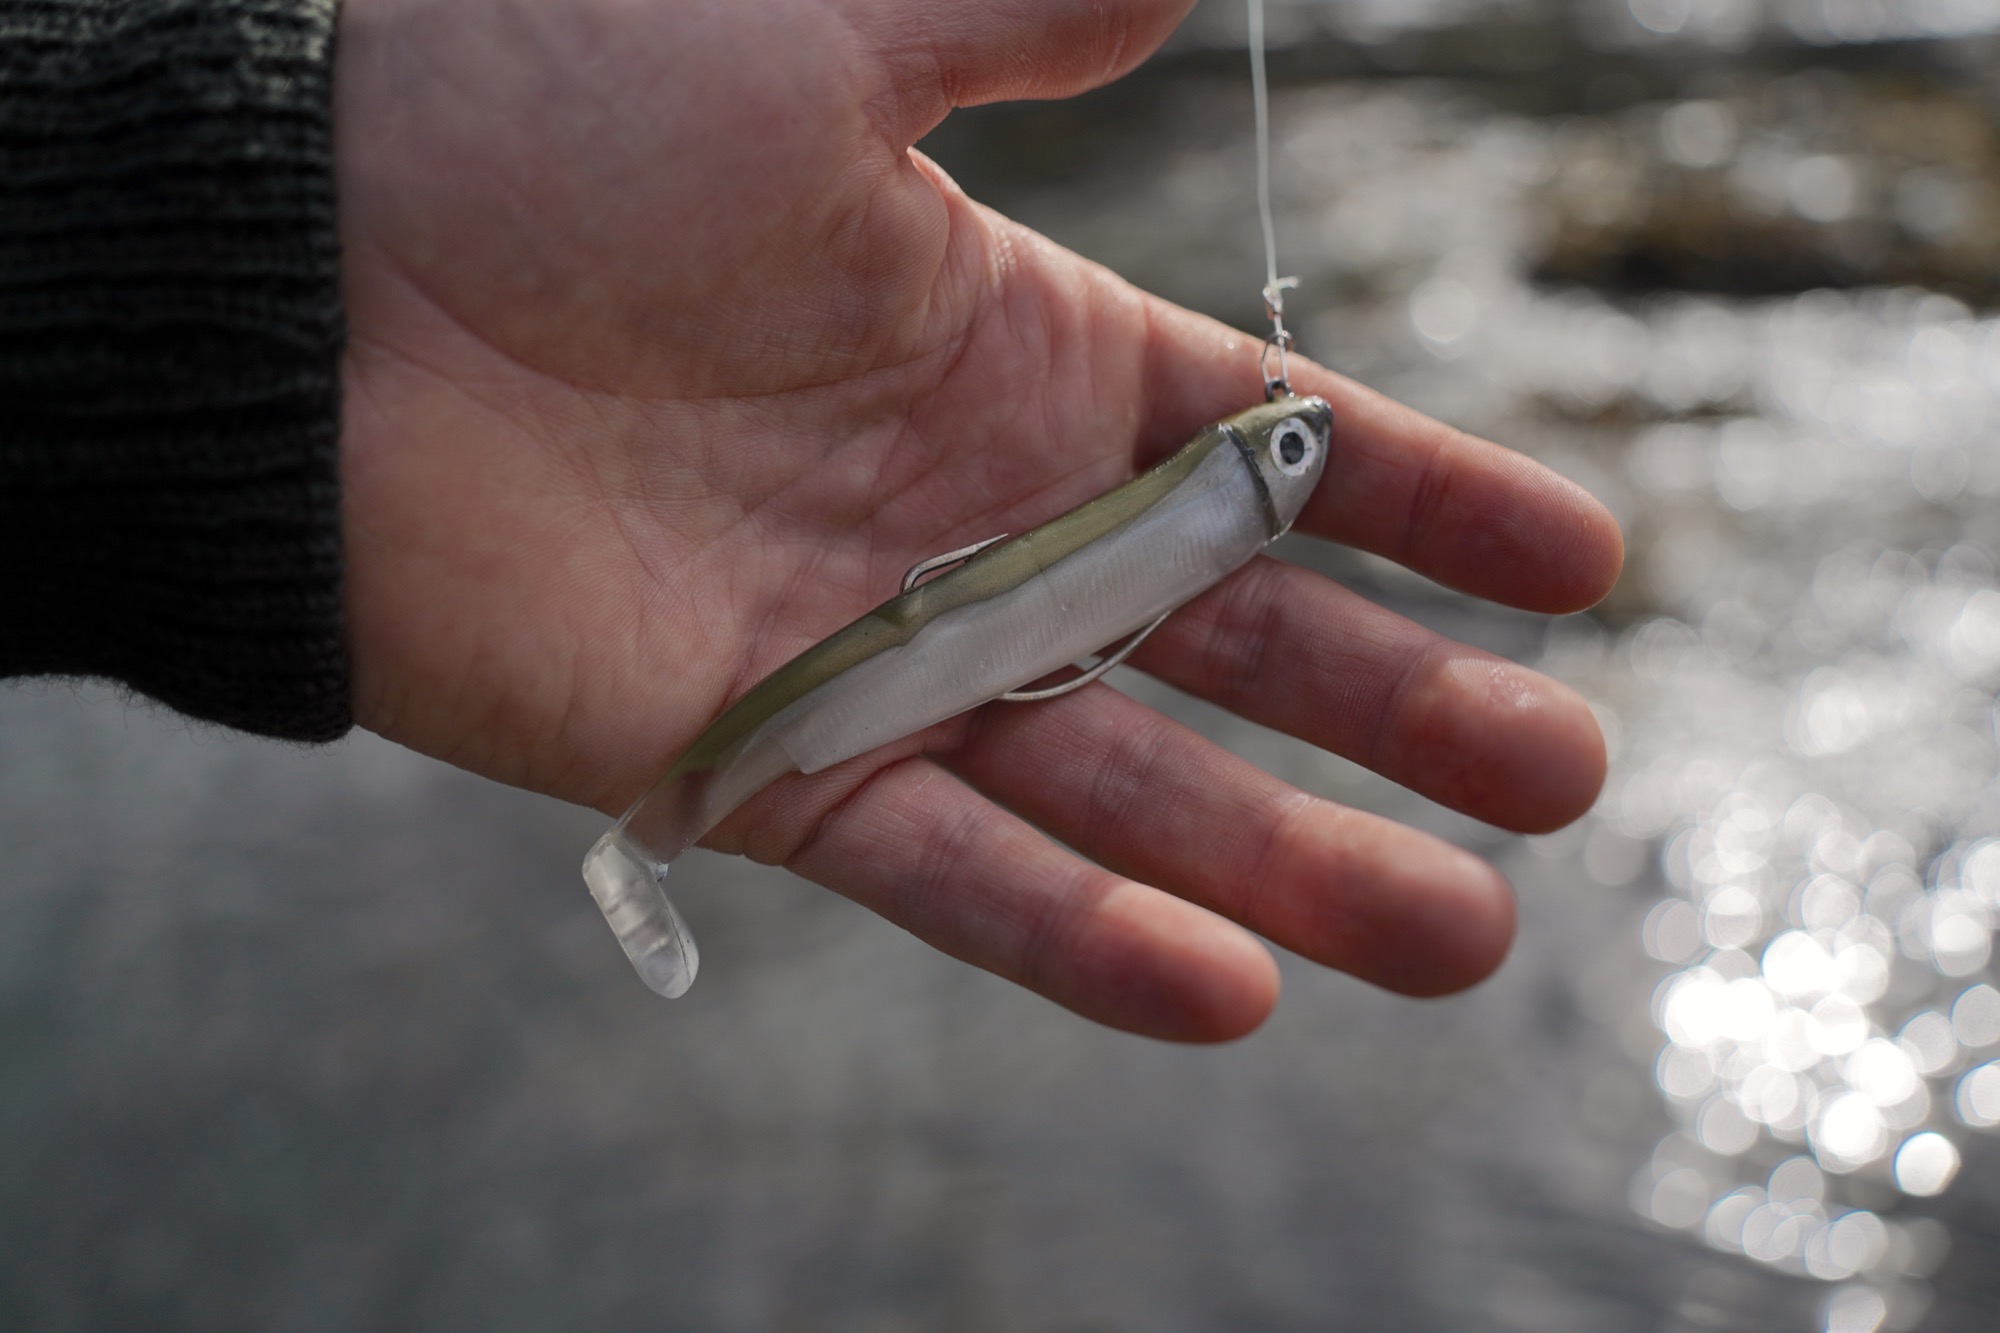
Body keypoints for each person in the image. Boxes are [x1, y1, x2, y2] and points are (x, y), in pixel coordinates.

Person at [2, 0, 1624, 1042]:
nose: (1292, 448)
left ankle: (663, 832)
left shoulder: (1215, 499)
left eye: (1288, 451)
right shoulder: (1229, 493)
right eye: (1290, 445)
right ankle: (657, 835)